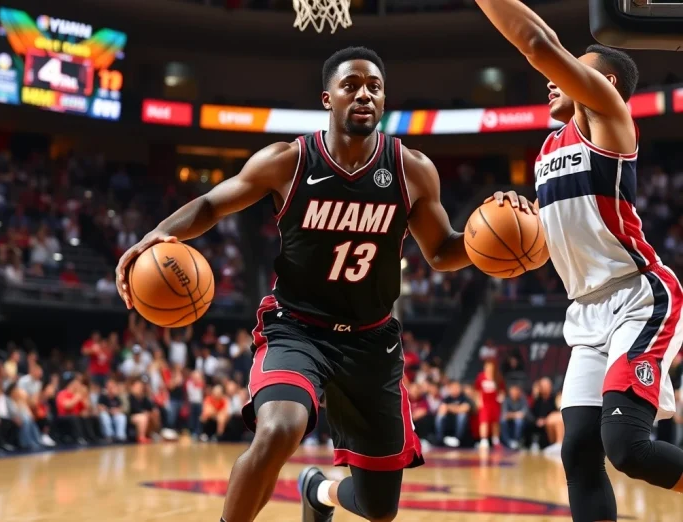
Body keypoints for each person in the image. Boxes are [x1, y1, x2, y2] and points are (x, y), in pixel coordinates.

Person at [116, 46, 491, 522]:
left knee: (380, 509)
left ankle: (318, 492)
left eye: (374, 87)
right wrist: (157, 233)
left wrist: (491, 248)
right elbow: (212, 204)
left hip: (371, 342)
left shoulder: (411, 169)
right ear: (327, 98)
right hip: (296, 328)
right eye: (351, 85)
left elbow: (442, 251)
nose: (364, 95)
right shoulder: (288, 161)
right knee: (278, 430)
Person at [476, 0, 683, 519]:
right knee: (579, 452)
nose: (550, 80)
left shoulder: (608, 119)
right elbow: (557, 242)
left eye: (569, 73)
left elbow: (539, 45)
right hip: (585, 309)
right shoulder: (548, 148)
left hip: (639, 294)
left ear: (606, 84)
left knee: (627, 446)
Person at [475, 358, 504, 449]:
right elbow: (477, 391)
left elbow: (502, 390)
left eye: (490, 366)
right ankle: (484, 440)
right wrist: (478, 401)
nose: (489, 368)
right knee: (484, 421)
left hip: (494, 403)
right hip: (485, 403)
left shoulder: (497, 377)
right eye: (487, 366)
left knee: (495, 422)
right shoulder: (481, 377)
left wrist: (501, 397)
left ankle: (495, 440)